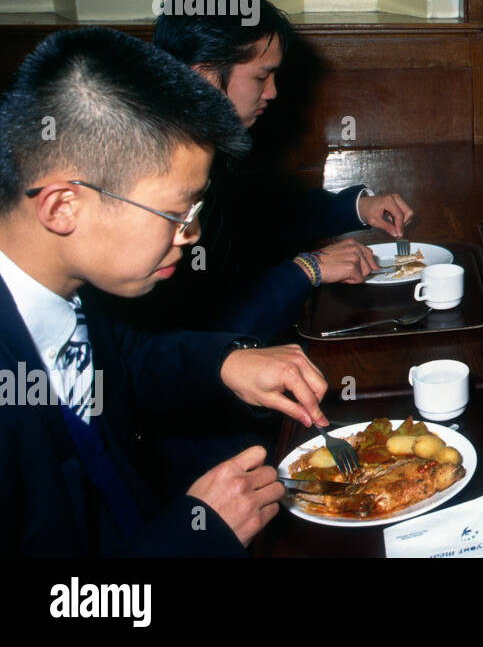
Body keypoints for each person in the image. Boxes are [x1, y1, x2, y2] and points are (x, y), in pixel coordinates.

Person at [0, 27, 333, 556]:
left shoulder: (76, 285)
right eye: (177, 213)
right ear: (63, 207)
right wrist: (191, 537)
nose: (192, 234)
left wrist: (225, 364)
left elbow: (126, 362)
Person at [114, 0, 415, 342]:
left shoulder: (200, 141)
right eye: (261, 76)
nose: (272, 92)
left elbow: (259, 217)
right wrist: (307, 270)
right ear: (203, 74)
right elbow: (201, 333)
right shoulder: (148, 177)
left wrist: (355, 207)